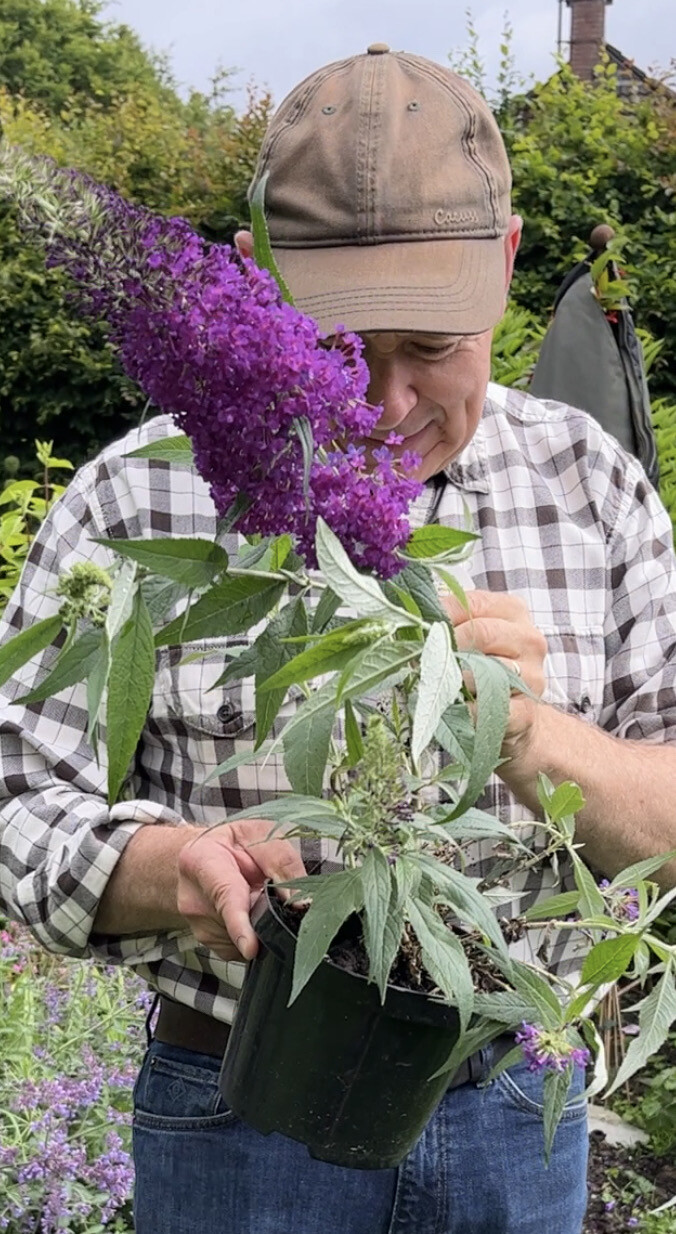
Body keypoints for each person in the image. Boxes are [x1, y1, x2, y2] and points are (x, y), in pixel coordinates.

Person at [1, 45, 676, 1234]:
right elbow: (15, 795)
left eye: (433, 346)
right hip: (238, 1104)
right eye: (339, 351)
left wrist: (524, 734)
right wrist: (171, 866)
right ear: (252, 281)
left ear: (506, 261)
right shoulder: (135, 502)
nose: (384, 403)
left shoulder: (593, 487)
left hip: (515, 1112)